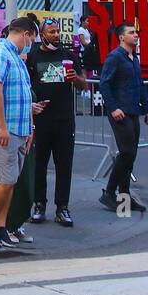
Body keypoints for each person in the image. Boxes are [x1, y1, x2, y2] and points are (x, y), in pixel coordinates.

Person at [0, 16, 37, 250]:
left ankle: (0, 226)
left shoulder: (15, 57)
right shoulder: (1, 53)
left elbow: (24, 95)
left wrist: (29, 128)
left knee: (10, 180)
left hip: (17, 128)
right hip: (6, 128)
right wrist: (1, 126)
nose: (31, 42)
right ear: (25, 34)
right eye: (32, 38)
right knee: (7, 179)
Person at [28, 17, 88, 227]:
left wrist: (76, 79)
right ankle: (39, 204)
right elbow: (26, 84)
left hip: (64, 120)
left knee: (64, 165)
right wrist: (30, 106)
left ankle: (62, 207)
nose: (56, 35)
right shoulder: (33, 55)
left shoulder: (68, 55)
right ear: (42, 34)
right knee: (39, 164)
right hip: (41, 119)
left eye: (57, 32)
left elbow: (84, 85)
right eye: (51, 32)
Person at [98, 23, 148, 214]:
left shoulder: (133, 58)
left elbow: (140, 84)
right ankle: (110, 192)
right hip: (120, 112)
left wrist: (147, 110)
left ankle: (124, 197)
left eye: (136, 32)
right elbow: (104, 84)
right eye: (132, 32)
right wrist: (113, 108)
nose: (136, 35)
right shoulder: (115, 57)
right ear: (122, 37)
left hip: (133, 111)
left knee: (131, 154)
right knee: (126, 152)